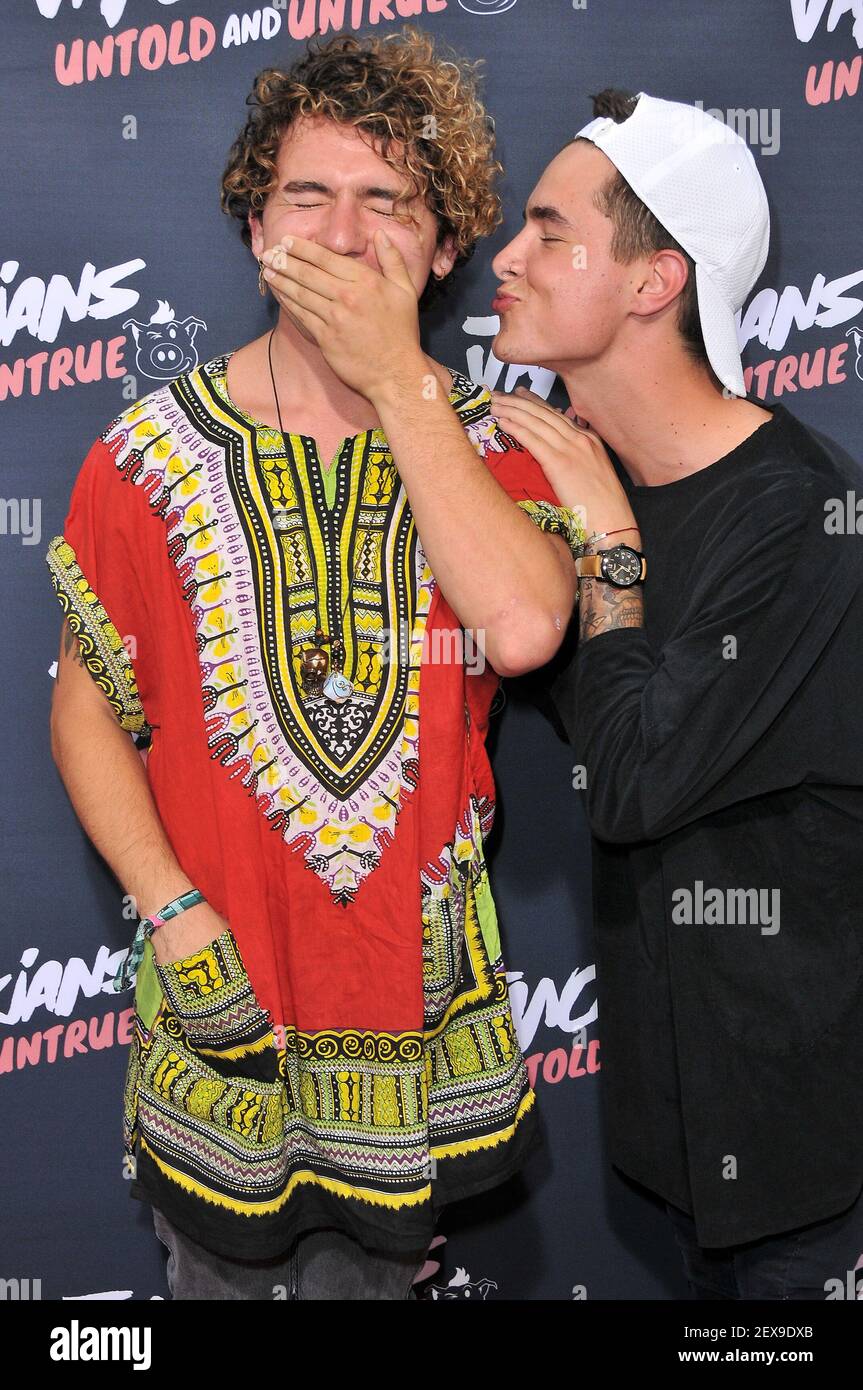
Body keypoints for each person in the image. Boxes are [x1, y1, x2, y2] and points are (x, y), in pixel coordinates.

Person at [44, 29, 583, 1300]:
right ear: (253, 224)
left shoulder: (498, 444)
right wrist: (171, 911)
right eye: (307, 195)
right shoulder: (143, 456)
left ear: (445, 245)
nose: (342, 234)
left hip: (410, 1008)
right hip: (220, 1008)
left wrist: (397, 378)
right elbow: (83, 712)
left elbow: (519, 629)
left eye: (386, 201)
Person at [488, 87, 863, 1301]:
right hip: (681, 1153)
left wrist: (605, 539)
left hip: (816, 1171)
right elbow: (575, 697)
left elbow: (633, 779)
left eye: (549, 232)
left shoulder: (801, 515)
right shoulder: (600, 479)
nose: (506, 258)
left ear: (653, 281)